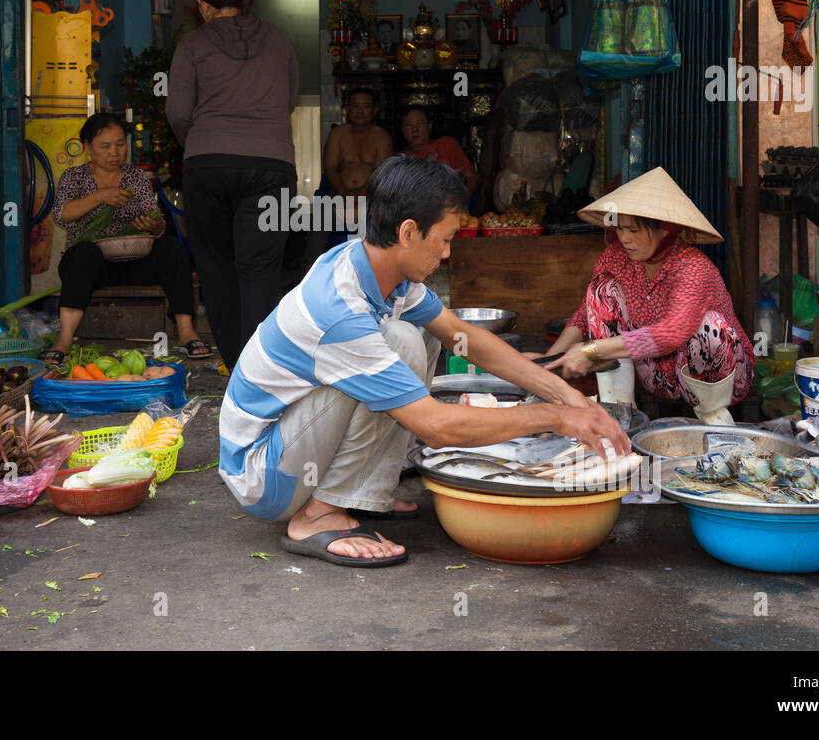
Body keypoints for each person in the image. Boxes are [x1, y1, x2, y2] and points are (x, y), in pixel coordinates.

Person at [219, 155, 629, 568]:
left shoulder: (378, 268)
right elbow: (435, 425)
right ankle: (317, 516)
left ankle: (361, 491)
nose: (449, 253)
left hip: (293, 444)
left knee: (409, 338)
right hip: (263, 473)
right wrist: (556, 418)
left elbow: (465, 338)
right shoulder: (339, 309)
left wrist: (568, 397)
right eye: (445, 238)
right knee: (398, 345)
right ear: (409, 232)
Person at [540, 167, 756, 425]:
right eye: (620, 229)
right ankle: (618, 410)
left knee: (710, 327)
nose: (624, 238)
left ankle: (714, 420)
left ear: (665, 229)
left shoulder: (693, 267)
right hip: (654, 373)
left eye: (634, 231)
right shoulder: (616, 257)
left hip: (716, 379)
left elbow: (673, 332)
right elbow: (586, 313)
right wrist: (548, 362)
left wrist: (591, 350)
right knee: (602, 290)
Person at [167, 0, 298, 372]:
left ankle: (236, 366)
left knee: (216, 265)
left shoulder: (193, 44)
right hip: (272, 165)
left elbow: (177, 111)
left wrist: (203, 144)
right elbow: (289, 100)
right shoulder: (278, 39)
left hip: (208, 165)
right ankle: (263, 370)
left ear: (204, 5)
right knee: (260, 269)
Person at [43, 114, 211, 363]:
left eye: (120, 144)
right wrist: (100, 196)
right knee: (83, 253)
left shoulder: (136, 178)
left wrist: (154, 225)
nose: (115, 152)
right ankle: (64, 340)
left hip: (135, 261)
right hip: (92, 267)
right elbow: (61, 214)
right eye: (105, 146)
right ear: (87, 147)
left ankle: (186, 333)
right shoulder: (74, 177)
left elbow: (157, 224)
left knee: (172, 249)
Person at [324, 89, 392, 200]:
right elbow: (329, 167)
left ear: (374, 110)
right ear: (347, 109)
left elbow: (381, 172)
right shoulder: (337, 134)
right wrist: (343, 192)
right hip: (340, 194)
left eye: (366, 106)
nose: (360, 111)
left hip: (373, 197)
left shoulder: (382, 137)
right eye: (355, 106)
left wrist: (362, 193)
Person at [400, 106, 477, 193]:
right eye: (409, 125)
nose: (415, 130)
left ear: (429, 126)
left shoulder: (447, 144)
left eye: (420, 123)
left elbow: (472, 178)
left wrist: (461, 202)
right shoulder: (401, 160)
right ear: (403, 130)